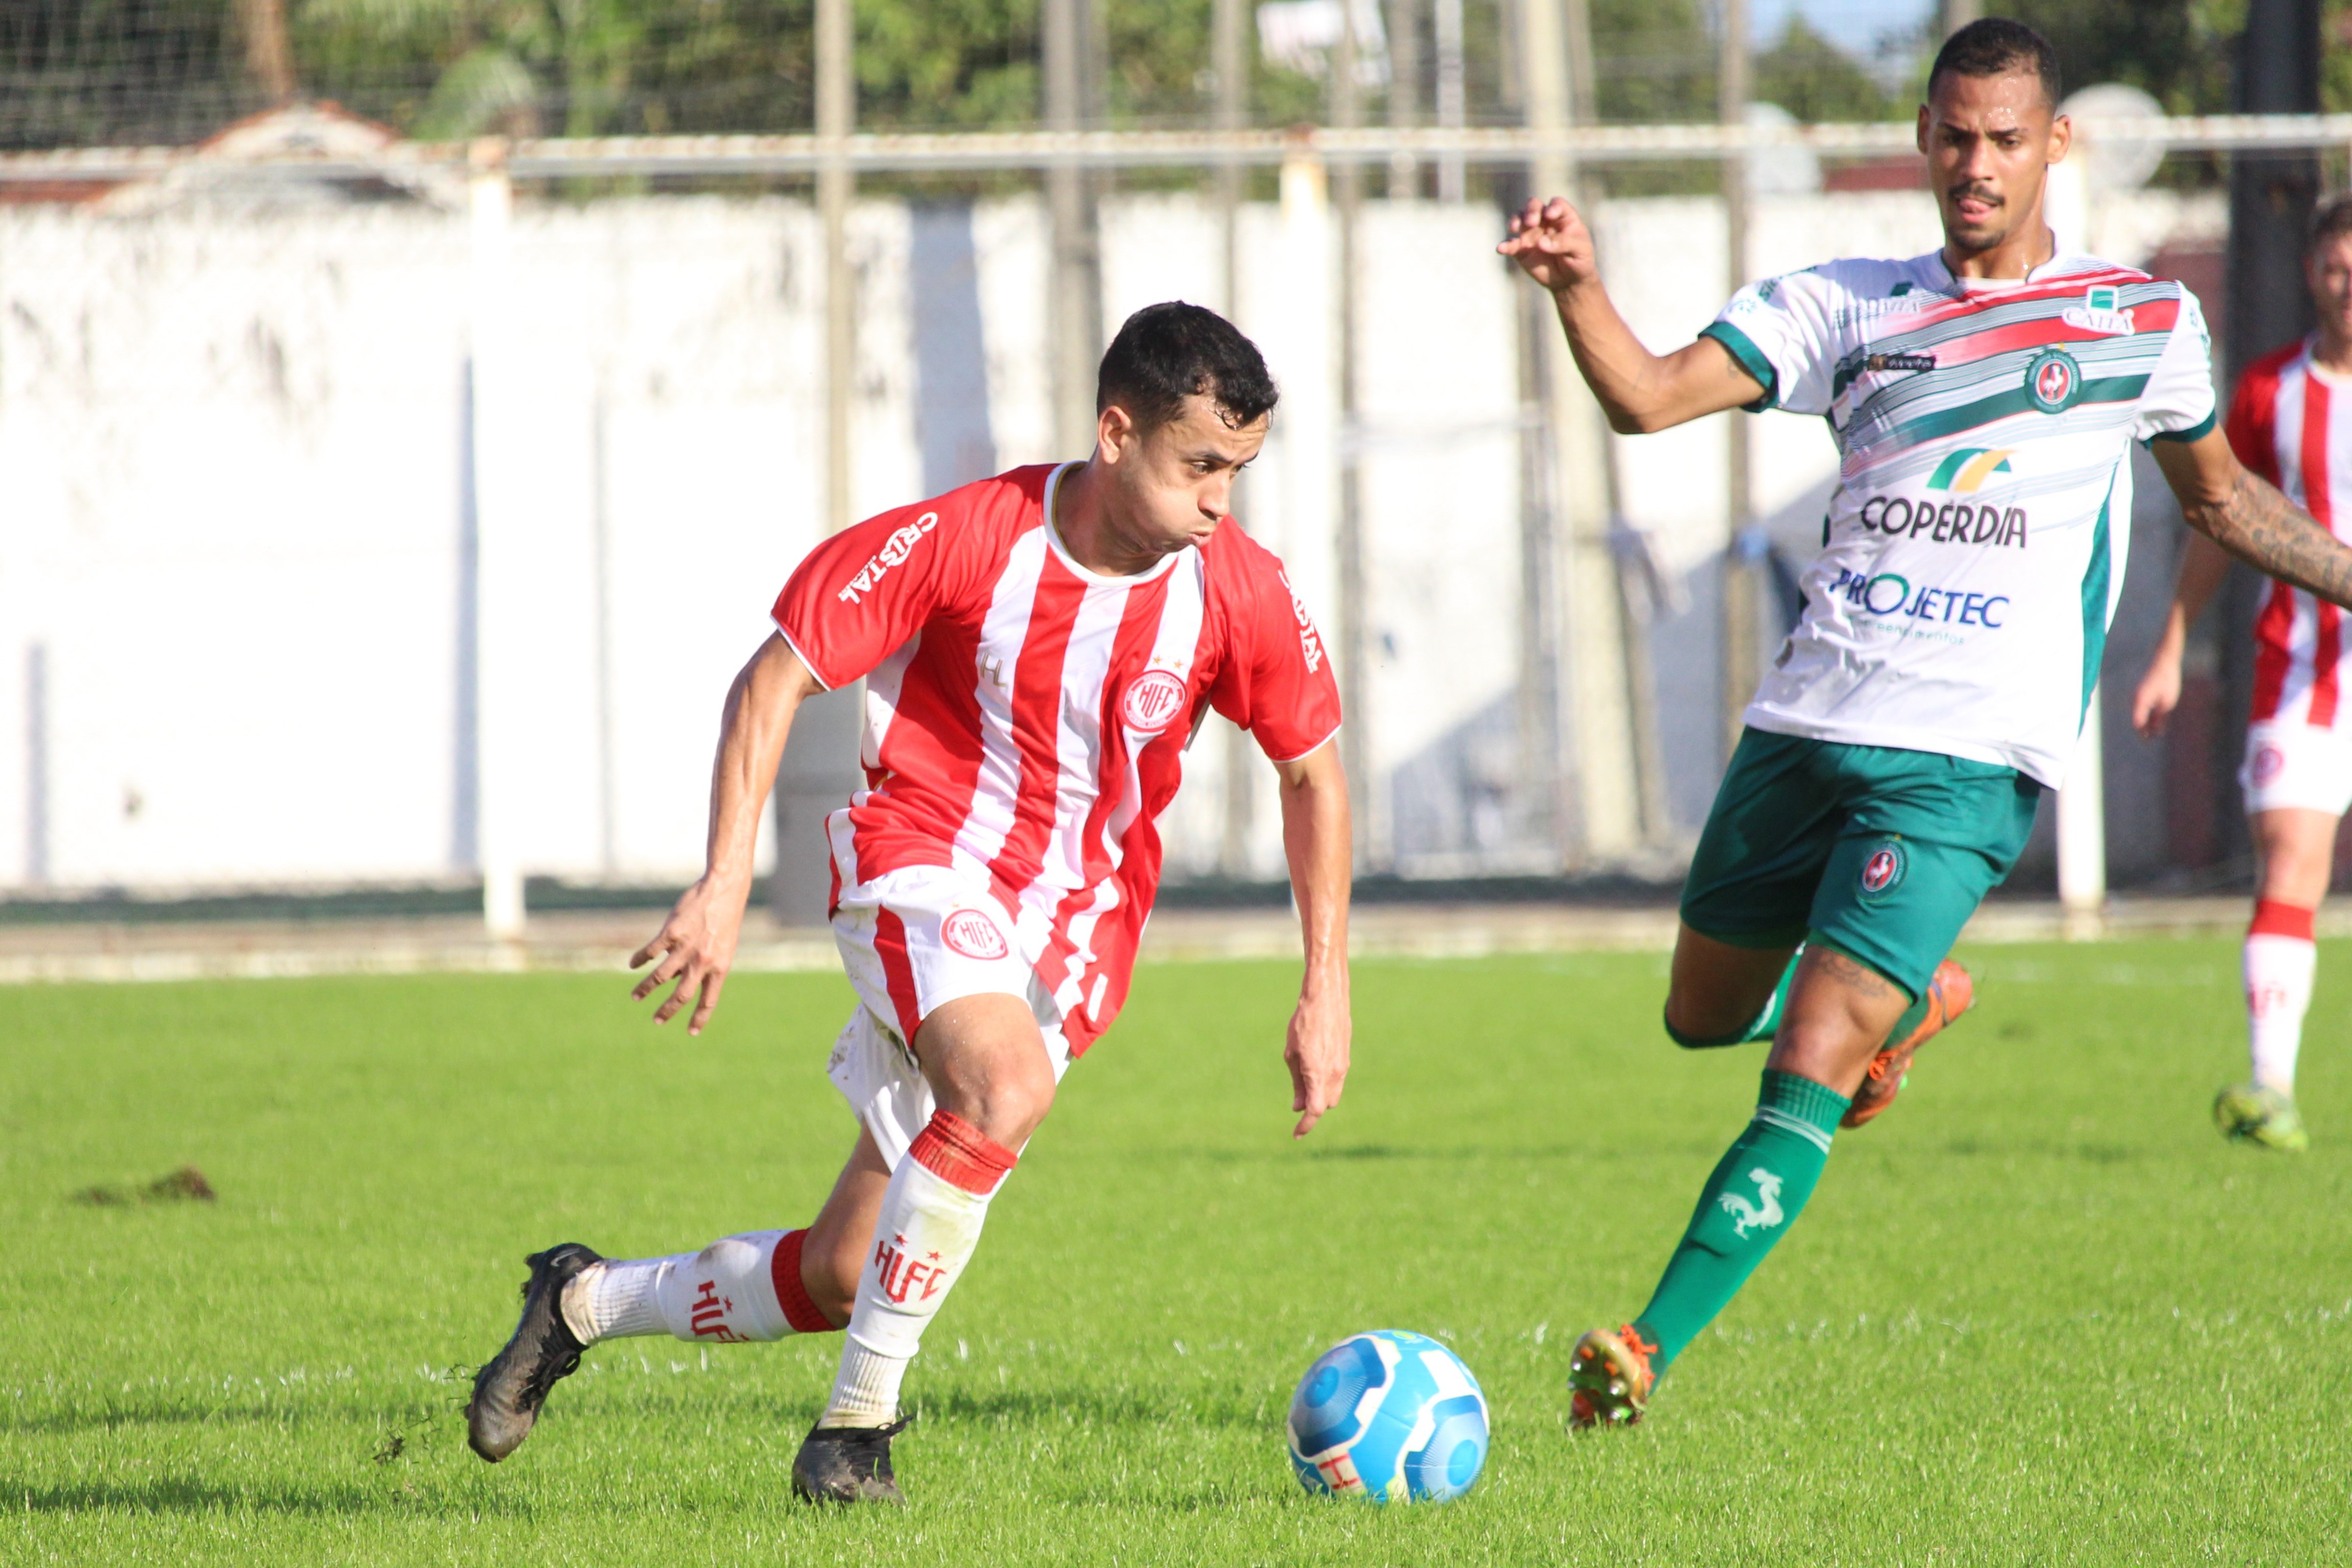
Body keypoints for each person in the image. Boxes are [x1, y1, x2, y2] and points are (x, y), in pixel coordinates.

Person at [1500, 17, 2352, 1428]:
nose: (1975, 165)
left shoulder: (2132, 319)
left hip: (1962, 755)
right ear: (1919, 137)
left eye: (2003, 139)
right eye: (1952, 137)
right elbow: (1647, 397)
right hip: (1802, 721)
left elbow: (2222, 502)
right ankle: (1894, 1021)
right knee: (1694, 1015)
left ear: (2050, 145)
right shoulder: (1843, 302)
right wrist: (1575, 287)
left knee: (1800, 1064)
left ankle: (1641, 1345)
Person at [460, 302, 1353, 1502]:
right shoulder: (970, 537)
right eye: (1198, 465)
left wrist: (1325, 983)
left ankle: (579, 1300)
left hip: (1069, 938)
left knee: (840, 1273)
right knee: (1004, 1086)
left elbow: (1311, 773)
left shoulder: (1235, 590)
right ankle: (853, 1434)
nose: (1219, 502)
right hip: (918, 858)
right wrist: (722, 881)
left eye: (1237, 473)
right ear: (1113, 431)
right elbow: (773, 678)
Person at [2131, 196, 2352, 1154]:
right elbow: (2223, 520)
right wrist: (2174, 642)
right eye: (2337, 268)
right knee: (2291, 865)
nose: (2349, 286)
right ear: (2312, 273)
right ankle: (2269, 1087)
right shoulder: (2267, 392)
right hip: (2301, 671)